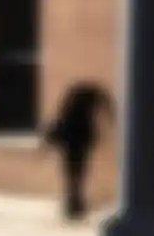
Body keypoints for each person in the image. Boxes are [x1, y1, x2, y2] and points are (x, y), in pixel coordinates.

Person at [45, 81, 113, 220]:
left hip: (71, 144)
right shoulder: (85, 112)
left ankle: (73, 205)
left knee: (72, 176)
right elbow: (105, 107)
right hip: (78, 143)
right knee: (78, 175)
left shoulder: (71, 107)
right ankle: (75, 206)